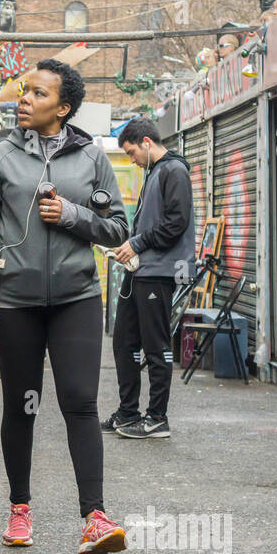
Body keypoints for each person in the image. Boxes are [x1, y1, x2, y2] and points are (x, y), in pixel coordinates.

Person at [0, 59, 131, 554]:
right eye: (24, 91)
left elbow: (117, 227)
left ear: (63, 107)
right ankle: (19, 510)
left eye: (37, 94)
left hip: (77, 298)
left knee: (80, 402)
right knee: (21, 405)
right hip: (13, 300)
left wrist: (73, 215)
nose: (24, 100)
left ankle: (95, 518)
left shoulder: (92, 159)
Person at [105, 117, 196, 440]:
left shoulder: (174, 171)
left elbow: (176, 222)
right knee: (124, 343)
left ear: (146, 142)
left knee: (156, 347)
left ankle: (157, 418)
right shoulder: (156, 172)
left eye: (131, 153)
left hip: (159, 272)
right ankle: (128, 411)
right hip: (141, 271)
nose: (131, 160)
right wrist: (128, 246)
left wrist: (136, 243)